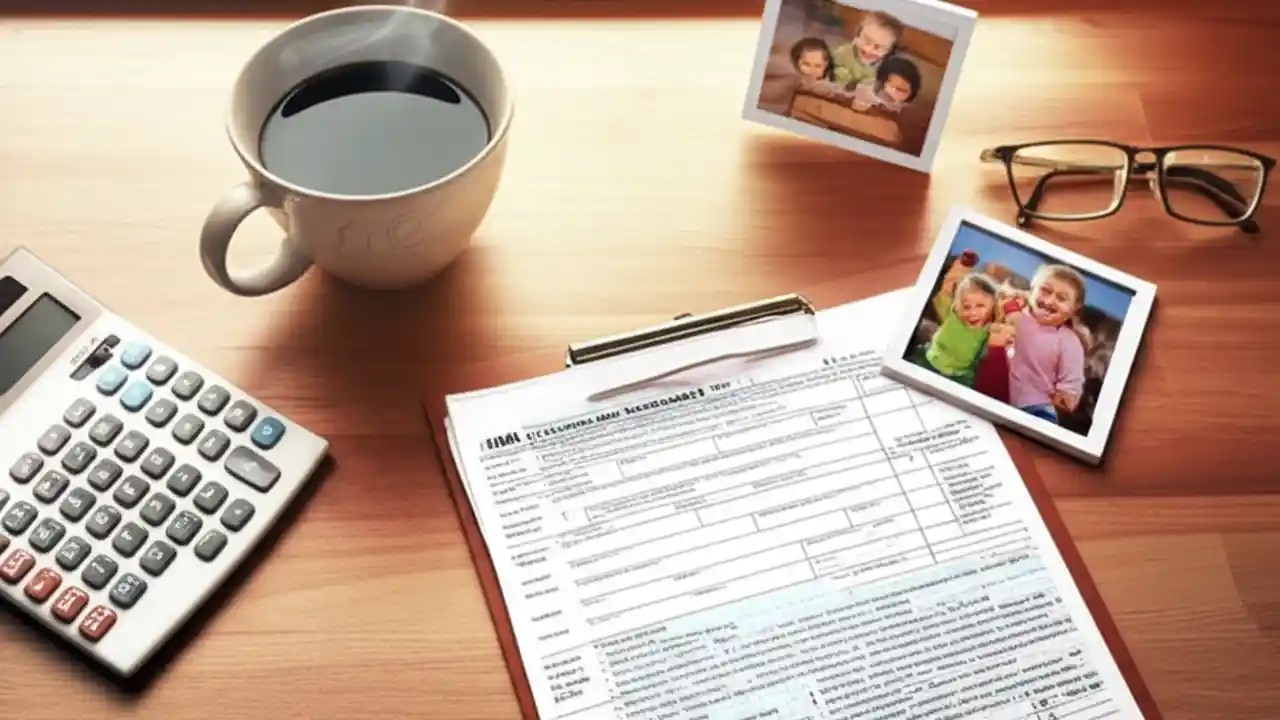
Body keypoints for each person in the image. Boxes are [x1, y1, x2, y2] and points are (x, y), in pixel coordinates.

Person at [1006, 264, 1090, 423]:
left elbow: (1070, 387)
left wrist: (1062, 400)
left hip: (1036, 408)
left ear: (1074, 309)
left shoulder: (1069, 341)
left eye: (1061, 298)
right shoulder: (1012, 313)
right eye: (1045, 290)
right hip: (992, 393)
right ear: (1032, 289)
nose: (1050, 300)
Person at [918, 267, 1000, 388]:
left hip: (960, 375)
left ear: (992, 307)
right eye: (966, 307)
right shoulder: (953, 314)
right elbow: (946, 289)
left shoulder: (989, 328)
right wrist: (962, 266)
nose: (973, 312)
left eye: (980, 306)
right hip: (932, 361)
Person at [830, 11, 905, 88]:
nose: (868, 49)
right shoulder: (843, 53)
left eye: (877, 47)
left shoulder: (884, 69)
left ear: (889, 52)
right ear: (858, 34)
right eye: (866, 40)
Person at [850, 55, 922, 113]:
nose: (893, 92)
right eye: (890, 86)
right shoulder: (865, 90)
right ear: (880, 82)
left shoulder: (903, 111)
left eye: (901, 90)